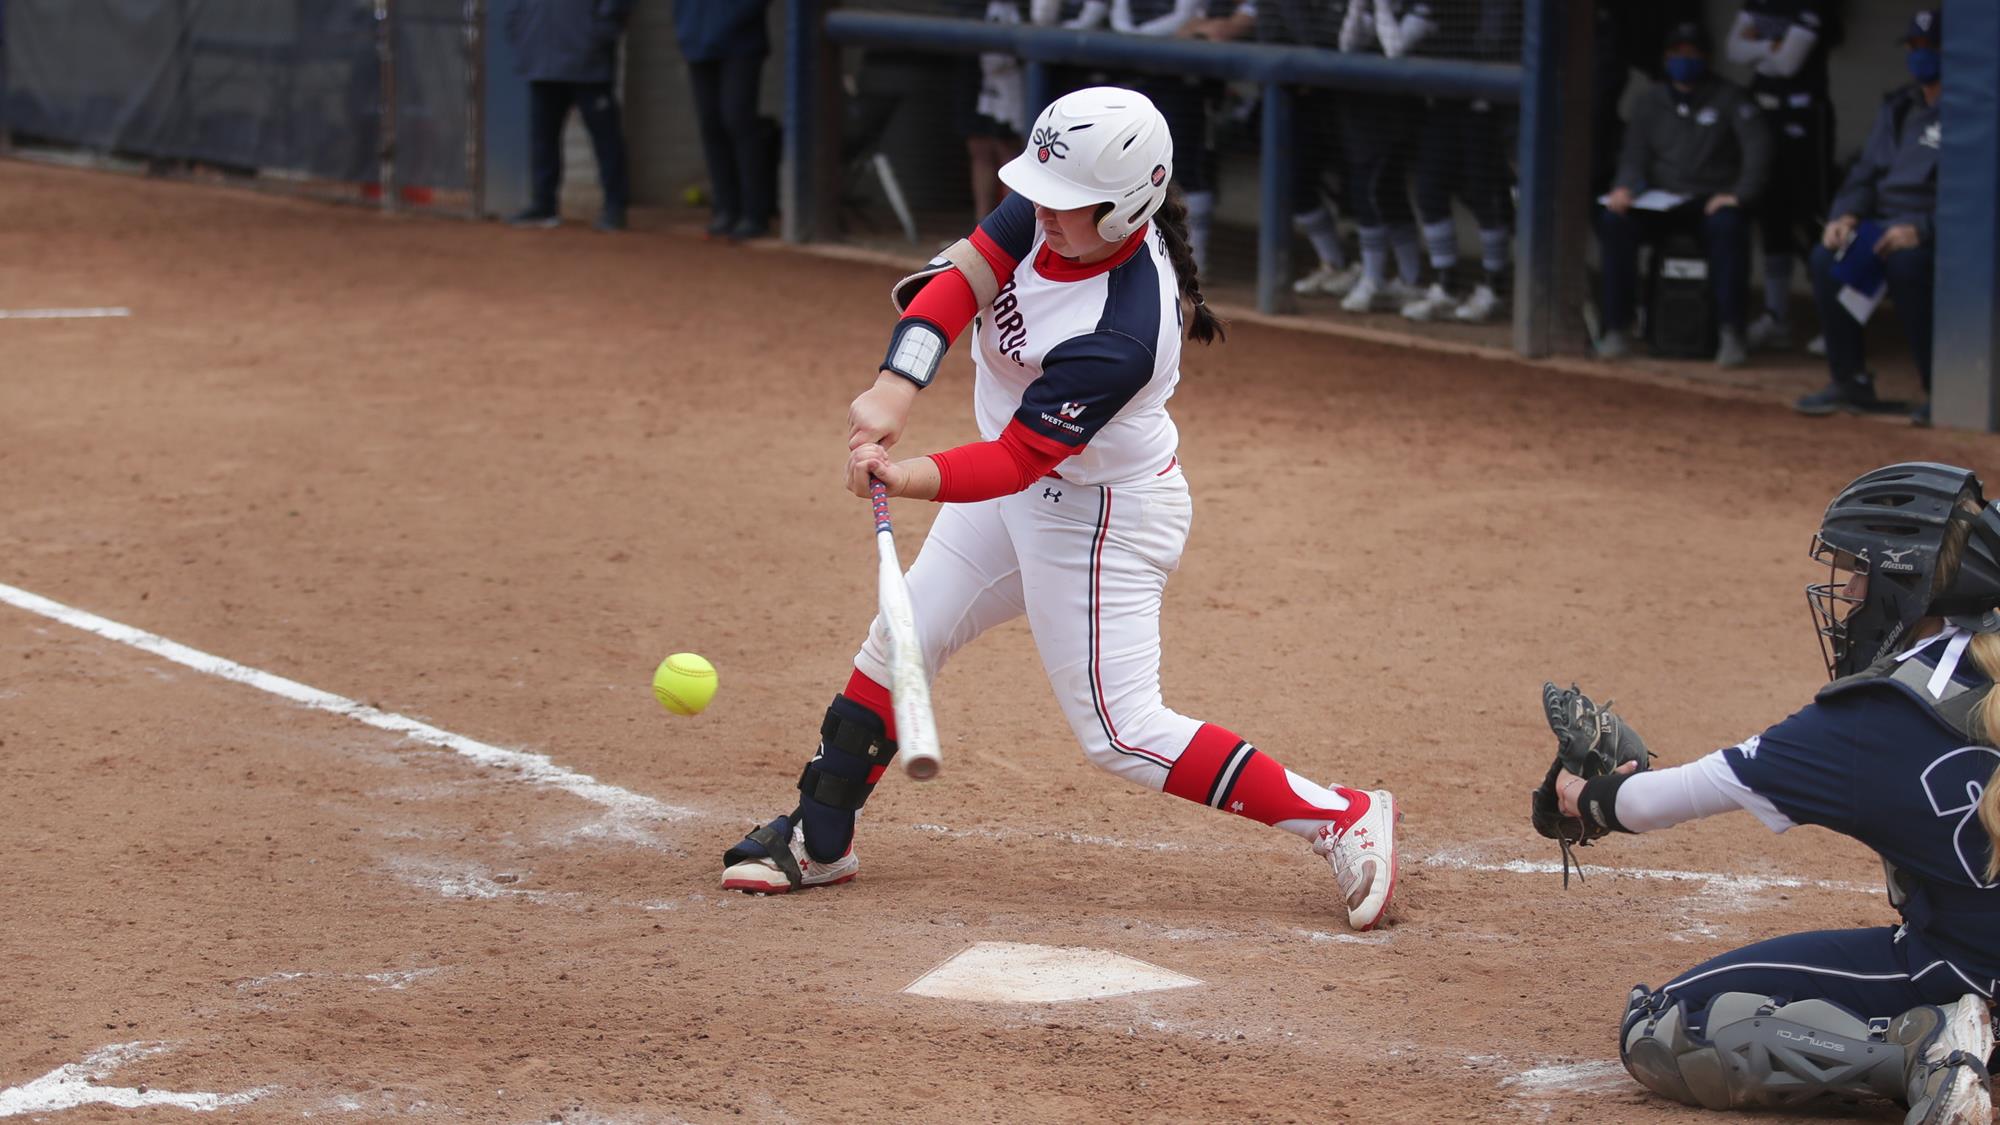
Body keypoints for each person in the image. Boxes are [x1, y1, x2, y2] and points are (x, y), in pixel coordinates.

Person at [717, 87, 1402, 932]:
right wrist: (895, 388)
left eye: (1069, 206)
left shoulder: (1122, 330)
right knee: (902, 638)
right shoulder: (1045, 208)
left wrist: (905, 472)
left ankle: (1342, 815)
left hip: (1097, 517)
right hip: (1021, 495)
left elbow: (1013, 461)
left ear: (1125, 209)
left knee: (1121, 730)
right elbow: (959, 281)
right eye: (1039, 194)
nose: (1042, 214)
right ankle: (822, 839)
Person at [1545, 461, 1999, 1123]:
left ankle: (1929, 1051)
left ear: (1906, 586)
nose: (1848, 589)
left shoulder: (1873, 718)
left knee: (1669, 1023)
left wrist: (1587, 795)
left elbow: (1663, 799)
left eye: (1862, 571)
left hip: (1964, 975)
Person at [1792, 9, 1943, 427]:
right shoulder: (1900, 106)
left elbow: (1980, 199)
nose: (1919, 56)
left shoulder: (1975, 113)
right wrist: (1845, 215)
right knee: (1829, 260)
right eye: (1913, 47)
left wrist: (1923, 229)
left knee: (1907, 264)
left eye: (1929, 48)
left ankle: (1939, 389)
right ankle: (1850, 380)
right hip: (1883, 223)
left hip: (1929, 231)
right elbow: (1866, 172)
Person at [1596, 21, 1769, 368]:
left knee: (1729, 227)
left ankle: (1730, 333)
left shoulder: (1730, 98)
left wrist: (1739, 194)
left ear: (1706, 58)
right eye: (1676, 54)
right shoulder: (1650, 101)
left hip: (1710, 201)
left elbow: (1759, 149)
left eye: (1691, 54)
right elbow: (1634, 155)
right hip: (1661, 201)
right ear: (1665, 58)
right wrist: (1625, 188)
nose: (1683, 61)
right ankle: (1616, 328)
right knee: (1614, 221)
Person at [1723, 0, 1838, 353]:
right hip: (1765, 117)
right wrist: (1769, 47)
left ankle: (1834, 323)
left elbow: (1789, 63)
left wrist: (1758, 49)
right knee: (1771, 216)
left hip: (1805, 123)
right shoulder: (1759, 3)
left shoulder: (1812, 6)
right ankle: (1777, 316)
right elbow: (1732, 50)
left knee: (1810, 218)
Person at [1397, 0, 1518, 325]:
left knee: (1484, 194)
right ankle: (1445, 284)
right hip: (1444, 98)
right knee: (1429, 188)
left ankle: (1495, 287)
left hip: (1485, 101)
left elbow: (1494, 39)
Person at [1249, 0, 1364, 300]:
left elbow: (1323, 37)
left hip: (1338, 94)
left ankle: (1364, 270)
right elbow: (1269, 35)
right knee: (1295, 185)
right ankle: (1335, 262)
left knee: (1360, 183)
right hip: (1290, 95)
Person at [1109, 0, 1221, 273]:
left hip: (1184, 81)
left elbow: (1185, 17)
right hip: (1141, 78)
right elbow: (1119, 15)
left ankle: (1197, 258)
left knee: (1186, 168)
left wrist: (1137, 39)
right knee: (1133, 166)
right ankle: (1142, 252)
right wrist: (1136, 39)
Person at [503, 0, 633, 232]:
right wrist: (522, 33)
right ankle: (544, 205)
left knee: (606, 140)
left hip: (590, 66)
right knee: (543, 140)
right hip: (541, 62)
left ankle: (615, 206)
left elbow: (617, 6)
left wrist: (596, 35)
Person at [1335, 0, 1425, 313]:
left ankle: (1386, 278)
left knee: (1378, 194)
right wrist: (1358, 9)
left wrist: (1383, 7)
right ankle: (1399, 278)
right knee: (1374, 194)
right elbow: (1346, 45)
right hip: (1363, 115)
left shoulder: (1420, 11)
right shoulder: (1370, 10)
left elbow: (1394, 50)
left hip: (1398, 117)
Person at [675, 0, 775, 240]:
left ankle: (754, 213)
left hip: (740, 42)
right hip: (697, 41)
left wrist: (729, 19)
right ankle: (726, 208)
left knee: (738, 121)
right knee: (711, 124)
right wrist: (684, 26)